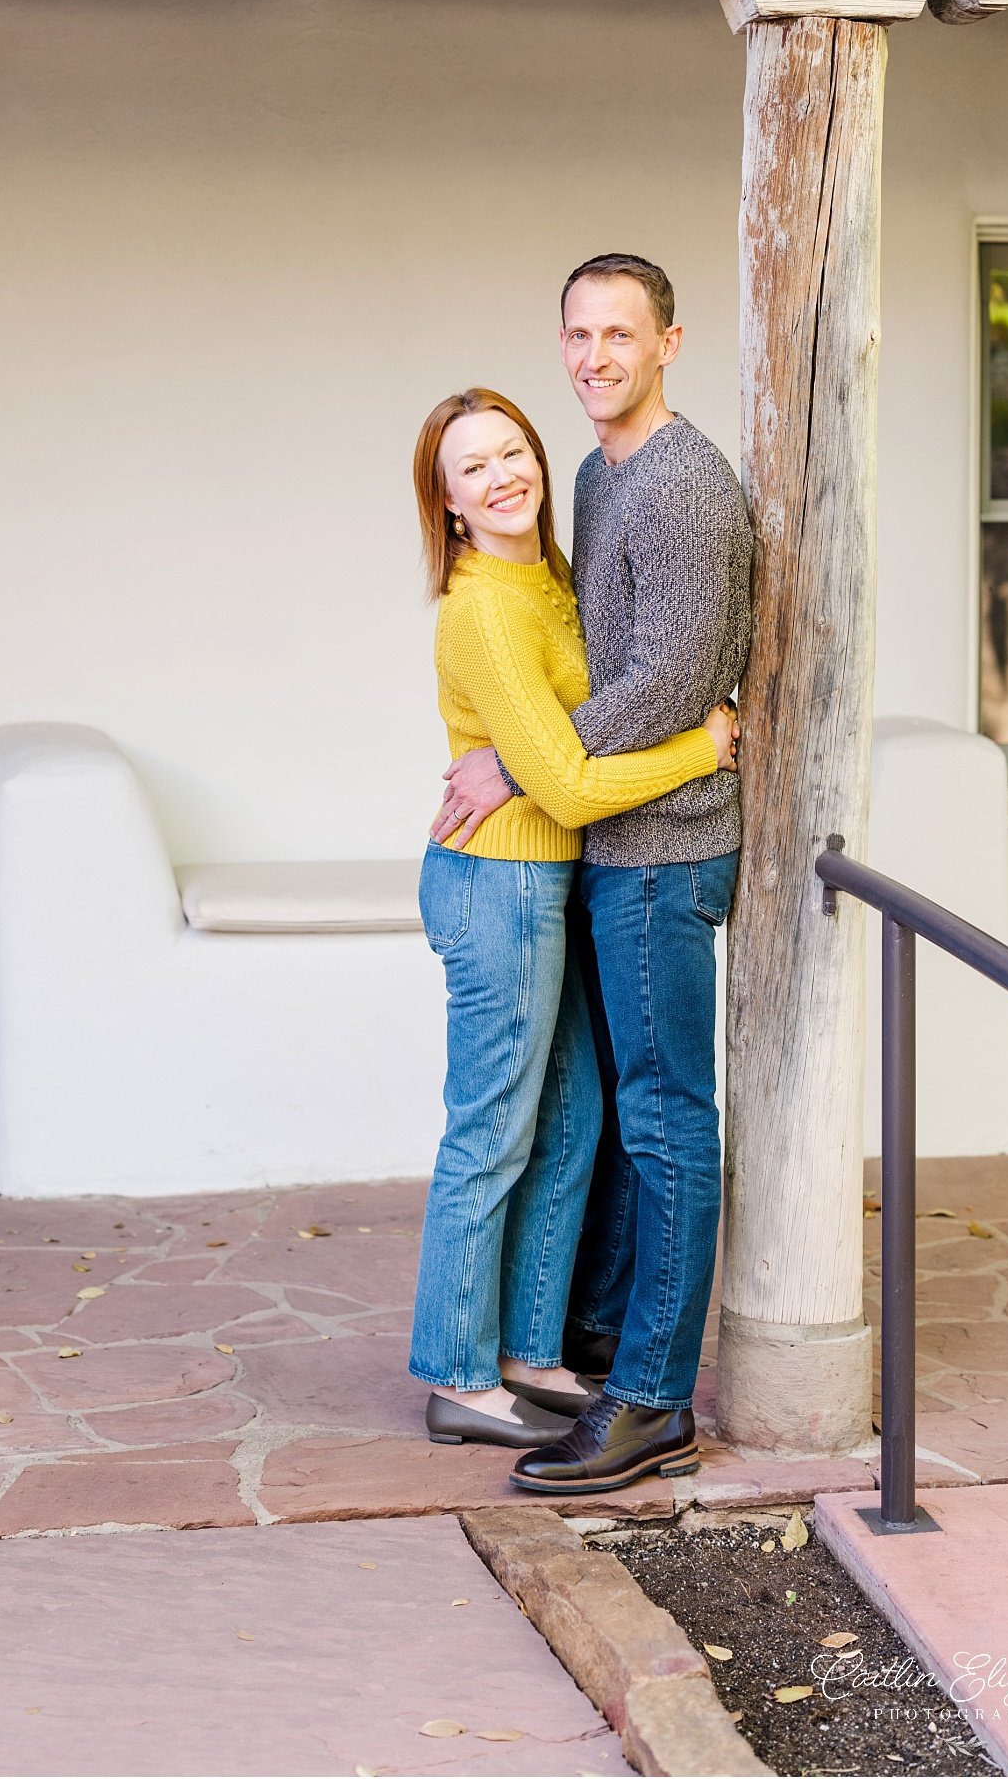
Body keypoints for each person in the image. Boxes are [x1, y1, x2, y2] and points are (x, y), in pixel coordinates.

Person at [431, 257, 752, 1493]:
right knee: (622, 1115)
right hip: (606, 837)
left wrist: (527, 766)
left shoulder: (677, 484)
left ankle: (652, 1402)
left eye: (621, 332)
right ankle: (608, 1342)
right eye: (578, 333)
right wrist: (535, 758)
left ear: (669, 340)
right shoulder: (596, 472)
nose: (596, 354)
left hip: (667, 847)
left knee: (666, 1119)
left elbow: (672, 680)